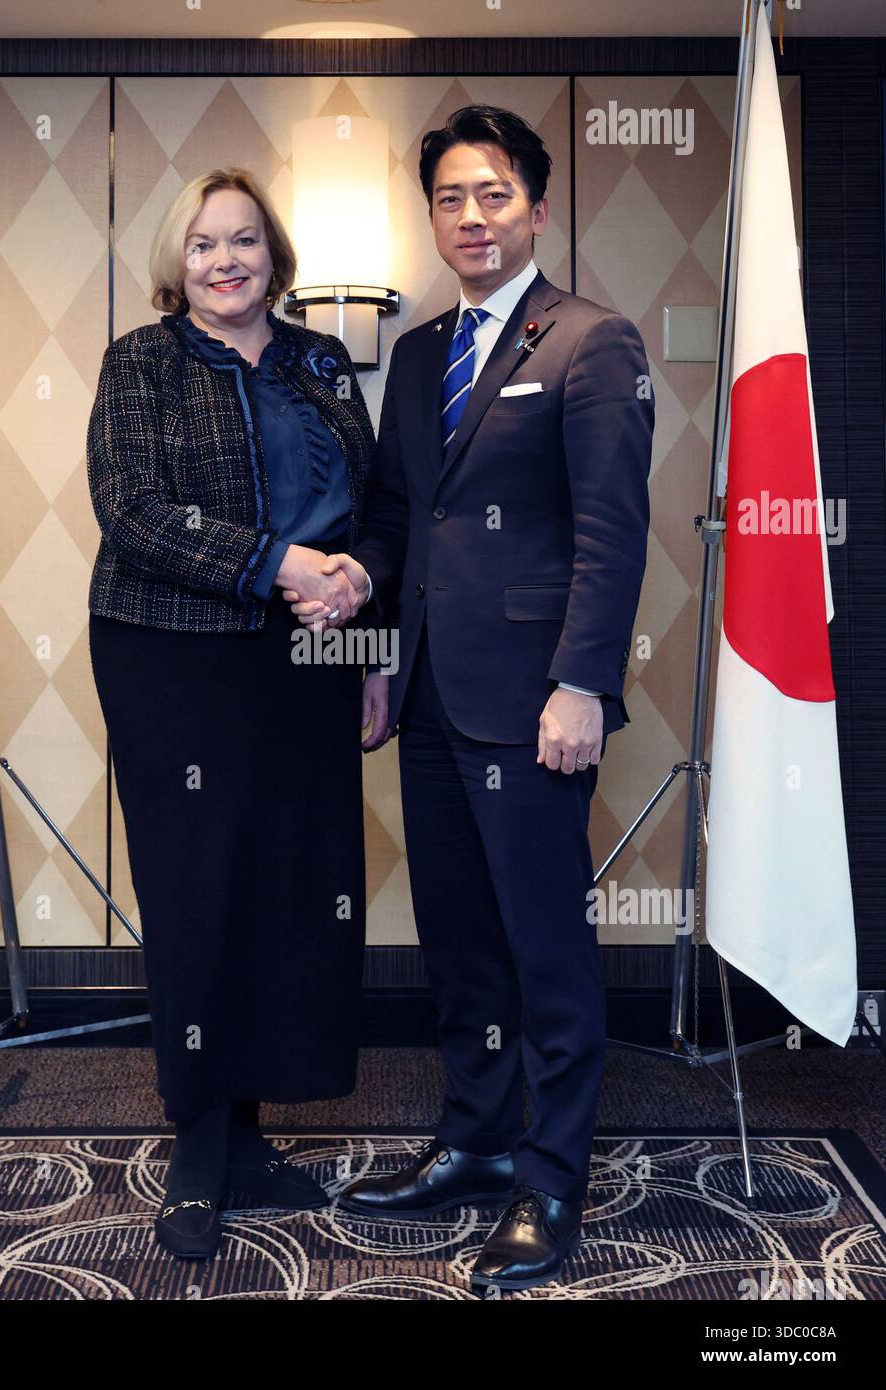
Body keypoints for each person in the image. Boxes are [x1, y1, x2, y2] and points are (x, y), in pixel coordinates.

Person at [300, 105, 654, 1294]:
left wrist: (582, 684)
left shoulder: (591, 343)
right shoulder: (418, 353)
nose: (471, 217)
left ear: (538, 209)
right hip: (437, 701)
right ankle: (474, 1136)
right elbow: (402, 520)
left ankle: (552, 1176)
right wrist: (379, 649)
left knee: (544, 946)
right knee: (457, 939)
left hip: (538, 703)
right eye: (451, 198)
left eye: (493, 195)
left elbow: (612, 531)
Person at [85, 167, 376, 1261]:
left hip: (307, 659)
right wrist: (281, 560)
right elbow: (134, 514)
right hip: (176, 660)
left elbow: (375, 506)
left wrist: (361, 616)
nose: (226, 261)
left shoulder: (321, 361)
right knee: (200, 886)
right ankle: (199, 1147)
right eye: (204, 244)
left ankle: (253, 1136)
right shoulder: (142, 362)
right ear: (180, 262)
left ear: (274, 253)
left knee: (289, 891)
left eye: (245, 240)